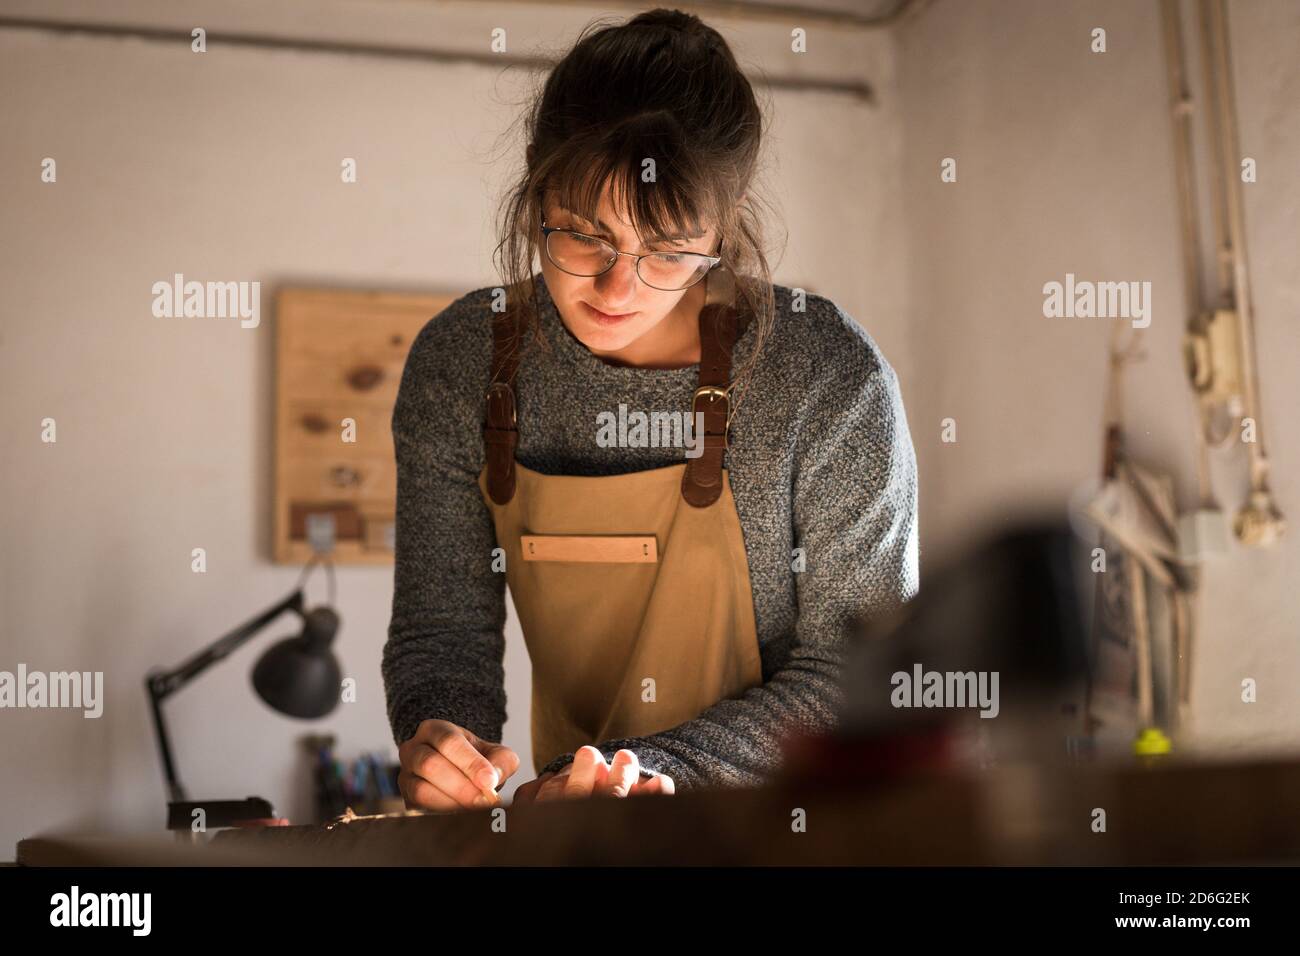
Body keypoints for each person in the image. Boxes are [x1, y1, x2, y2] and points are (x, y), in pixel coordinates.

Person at [383, 8, 918, 810]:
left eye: (668, 252)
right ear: (535, 196)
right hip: (579, 832)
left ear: (724, 230)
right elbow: (442, 635)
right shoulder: (460, 366)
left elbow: (861, 676)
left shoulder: (824, 378)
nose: (618, 288)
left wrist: (651, 775)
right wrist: (447, 747)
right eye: (585, 238)